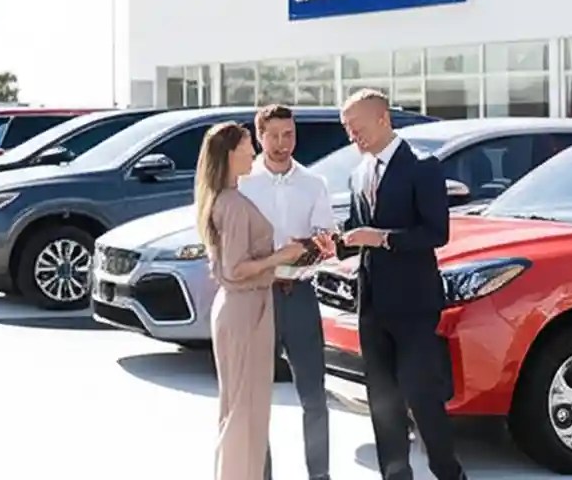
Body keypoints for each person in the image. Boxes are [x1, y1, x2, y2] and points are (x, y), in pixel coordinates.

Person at [339, 89, 467, 480]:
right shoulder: (358, 173)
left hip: (414, 304)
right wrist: (329, 243)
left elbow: (435, 232)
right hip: (372, 305)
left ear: (382, 119)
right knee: (382, 400)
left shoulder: (423, 168)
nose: (352, 136)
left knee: (421, 395)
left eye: (356, 127)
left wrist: (383, 237)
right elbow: (354, 235)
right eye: (347, 129)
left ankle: (449, 472)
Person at [196, 121, 310, 480]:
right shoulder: (231, 203)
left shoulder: (227, 198)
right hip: (245, 307)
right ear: (230, 153)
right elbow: (237, 267)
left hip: (247, 305)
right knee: (245, 410)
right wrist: (282, 256)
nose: (253, 153)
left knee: (242, 409)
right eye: (248, 146)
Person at [236, 105, 336, 480]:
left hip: (300, 296)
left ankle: (320, 474)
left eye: (289, 134)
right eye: (274, 135)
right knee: (256, 398)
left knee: (313, 395)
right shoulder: (243, 185)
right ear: (259, 136)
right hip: (257, 298)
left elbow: (324, 241)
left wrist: (308, 249)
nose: (282, 143)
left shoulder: (314, 184)